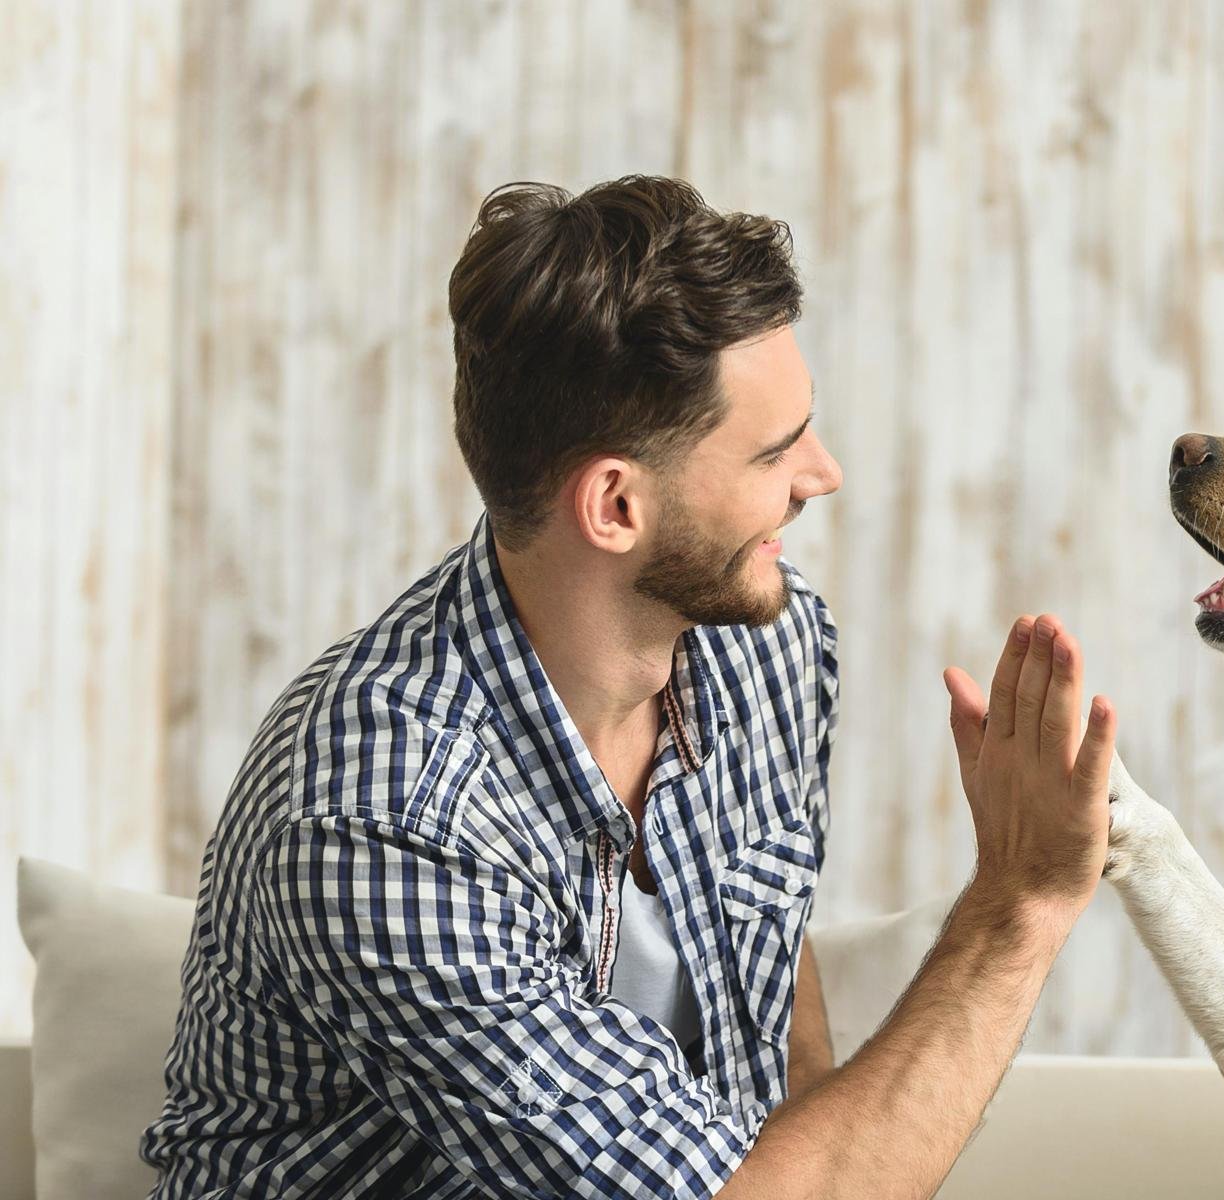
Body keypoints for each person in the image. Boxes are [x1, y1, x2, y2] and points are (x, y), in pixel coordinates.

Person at [139, 174, 1120, 1199]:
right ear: (615, 504)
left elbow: (772, 995)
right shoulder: (381, 812)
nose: (821, 475)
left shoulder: (768, 651)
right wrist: (1022, 903)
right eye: (775, 450)